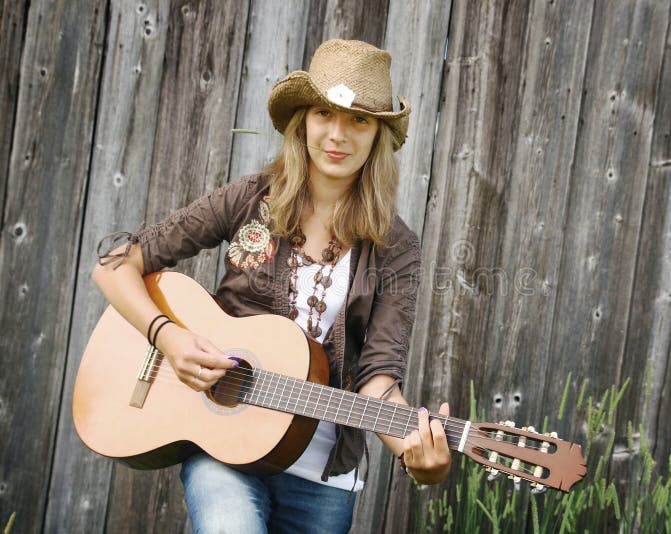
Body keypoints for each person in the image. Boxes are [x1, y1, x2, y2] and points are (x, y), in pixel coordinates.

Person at [92, 39, 451, 533]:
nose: (338, 134)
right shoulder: (249, 199)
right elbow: (115, 266)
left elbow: (378, 378)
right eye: (325, 112)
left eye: (359, 120)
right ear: (303, 119)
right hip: (225, 454)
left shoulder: (396, 248)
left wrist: (418, 454)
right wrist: (167, 336)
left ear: (378, 136)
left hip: (321, 480)